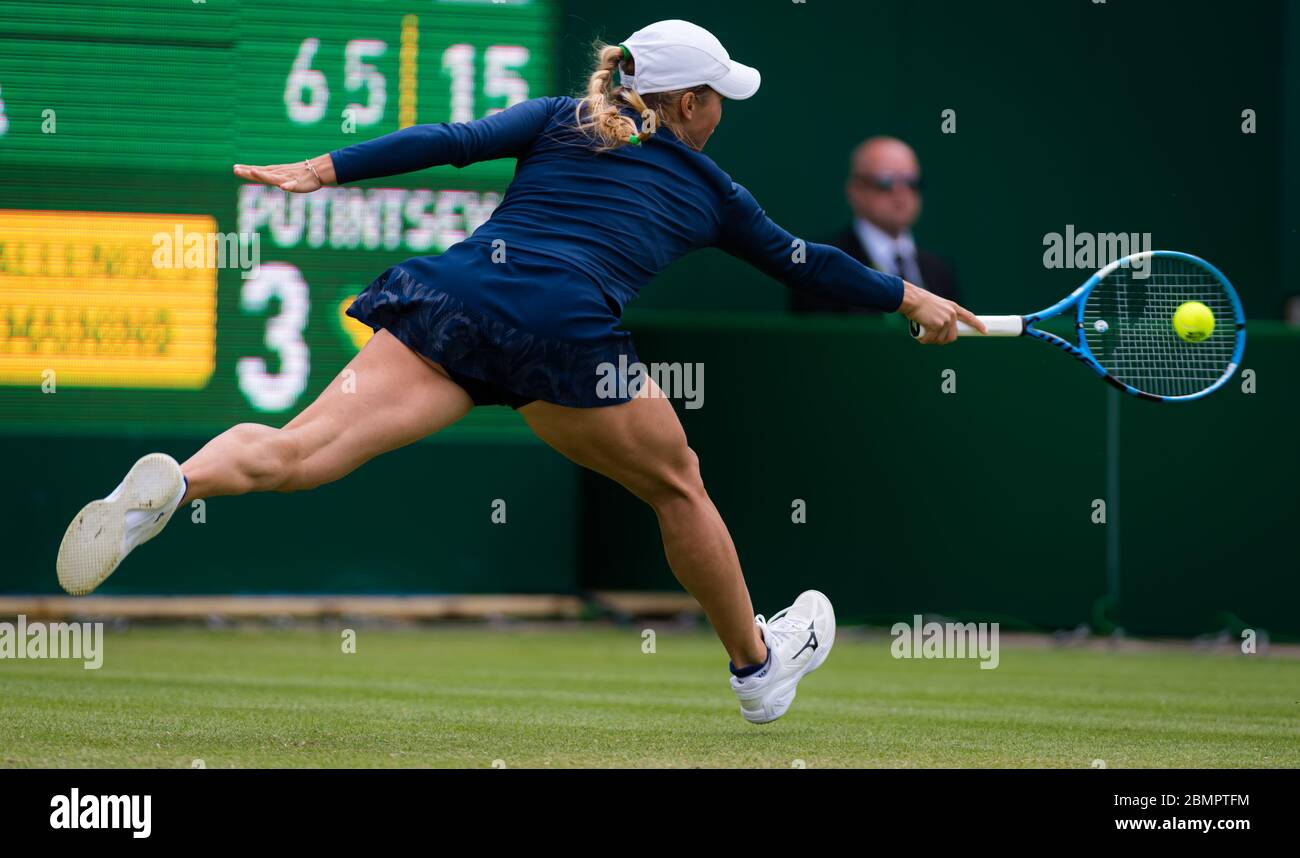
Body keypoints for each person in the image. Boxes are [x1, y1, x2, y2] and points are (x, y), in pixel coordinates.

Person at [56, 20, 983, 724]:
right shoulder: (711, 189)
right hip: (567, 333)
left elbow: (449, 138)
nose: (722, 111)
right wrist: (909, 299)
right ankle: (757, 669)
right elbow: (807, 263)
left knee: (298, 450)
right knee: (680, 486)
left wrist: (324, 170)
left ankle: (179, 481)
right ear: (689, 102)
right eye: (717, 96)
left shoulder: (559, 117)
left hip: (453, 298)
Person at [792, 136, 959, 314]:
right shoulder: (822, 265)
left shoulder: (938, 271)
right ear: (855, 190)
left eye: (912, 183)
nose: (901, 193)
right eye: (886, 182)